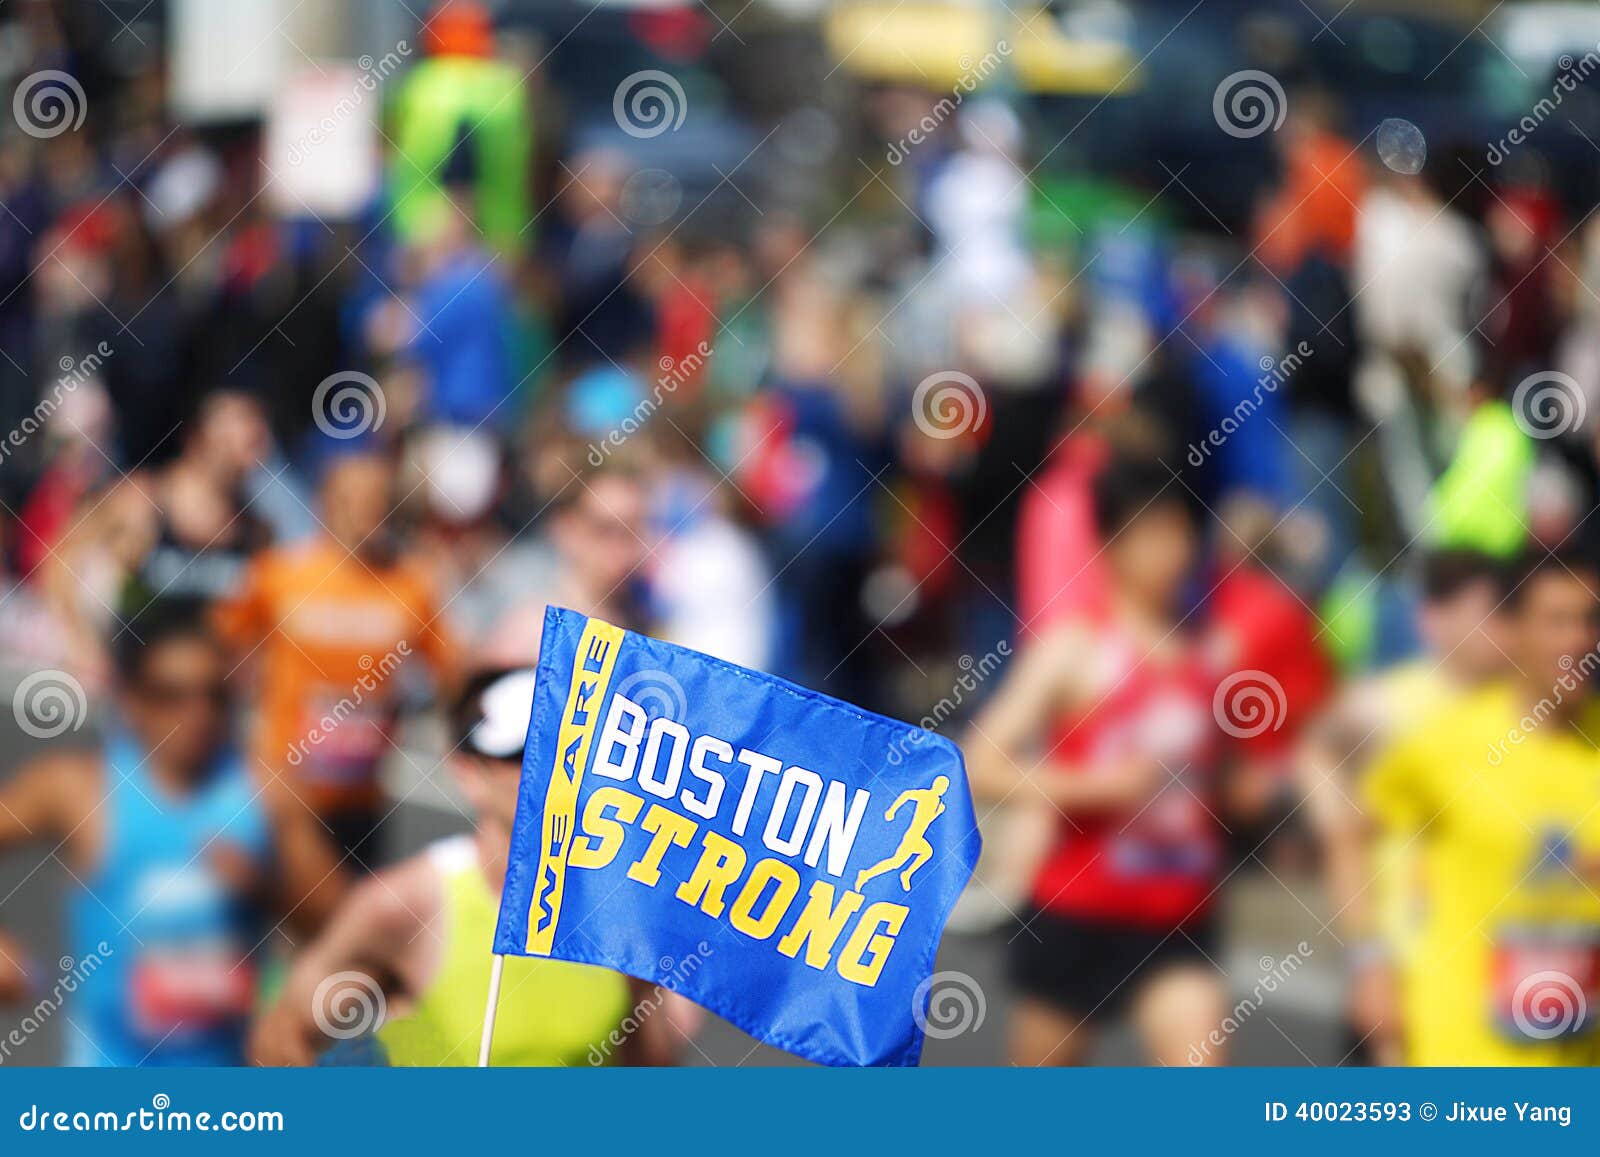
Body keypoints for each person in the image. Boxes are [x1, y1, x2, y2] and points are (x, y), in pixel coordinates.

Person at [251, 667, 677, 1066]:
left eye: (571, 752)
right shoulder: (408, 905)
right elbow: (281, 1038)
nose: (555, 772)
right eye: (525, 752)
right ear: (469, 771)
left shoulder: (624, 910)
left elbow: (650, 1069)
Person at [965, 458, 1227, 1065]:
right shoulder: (1074, 649)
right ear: (1111, 545)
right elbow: (981, 763)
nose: (1173, 550)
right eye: (1152, 533)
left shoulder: (1207, 651)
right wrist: (1094, 787)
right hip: (1078, 912)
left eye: (1181, 531)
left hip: (1179, 916)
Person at [0, 609, 342, 1066]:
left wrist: (268, 891)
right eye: (171, 696)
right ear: (131, 701)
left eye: (215, 696)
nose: (197, 715)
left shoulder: (266, 793)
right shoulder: (77, 789)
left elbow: (347, 925)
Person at [1357, 551, 1600, 1065]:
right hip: (1462, 1058)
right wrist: (1372, 963)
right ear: (1512, 632)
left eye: (1590, 620)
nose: (1579, 640)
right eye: (1558, 621)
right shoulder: (1446, 744)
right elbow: (1353, 834)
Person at [1301, 549, 1508, 1064]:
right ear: (1433, 619)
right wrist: (1335, 816)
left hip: (1498, 963)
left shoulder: (1527, 708)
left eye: (1507, 612)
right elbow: (1315, 748)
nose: (1501, 629)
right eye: (1487, 612)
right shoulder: (1390, 703)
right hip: (1403, 959)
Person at [215, 446, 458, 868]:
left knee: (360, 921)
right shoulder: (278, 574)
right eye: (355, 500)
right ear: (325, 502)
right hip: (287, 793)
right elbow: (218, 648)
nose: (368, 512)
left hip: (363, 798)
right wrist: (241, 737)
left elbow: (451, 672)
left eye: (379, 501)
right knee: (292, 921)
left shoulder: (411, 584)